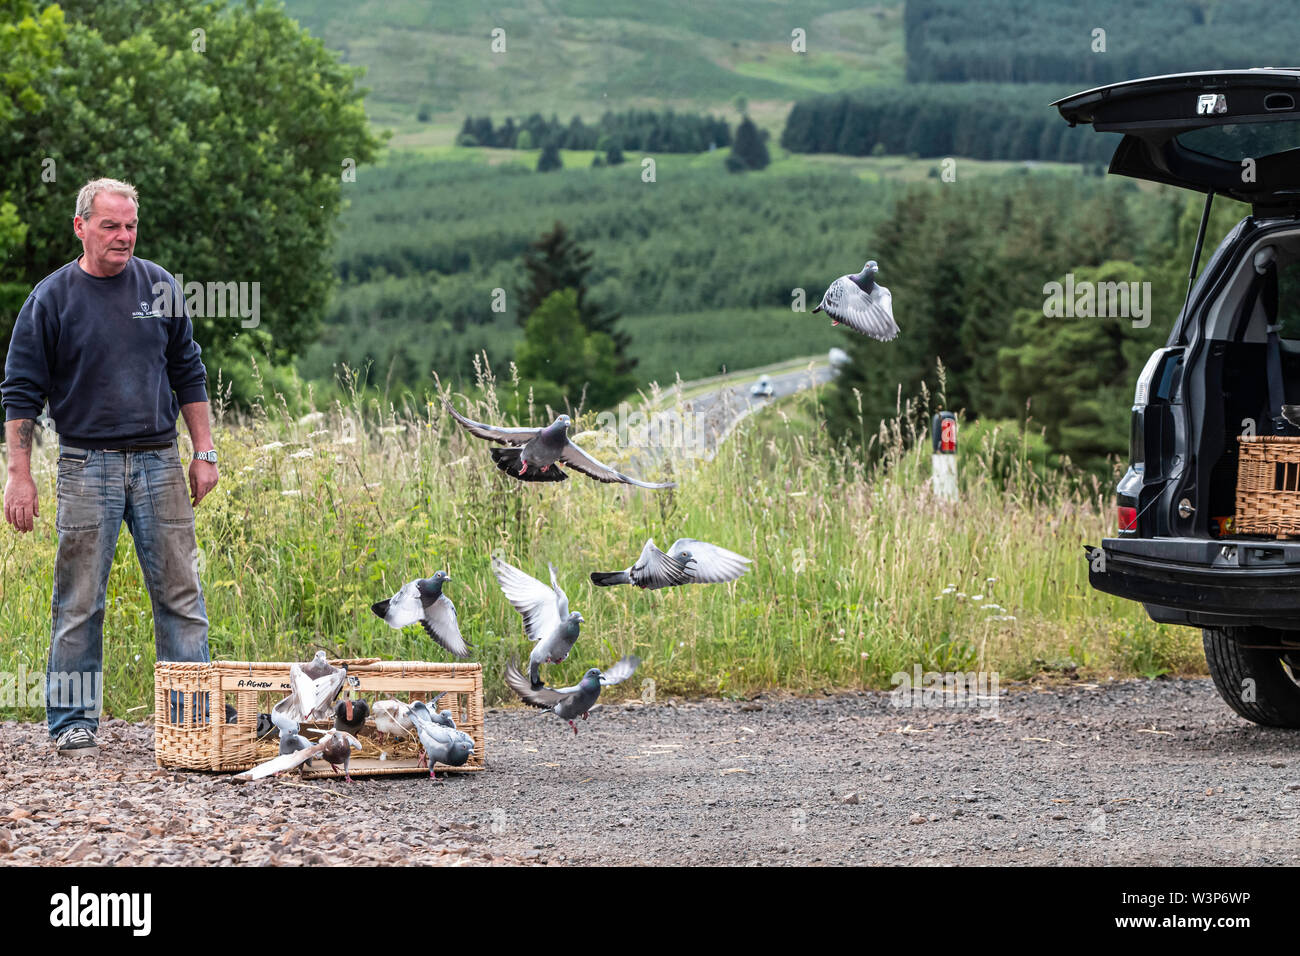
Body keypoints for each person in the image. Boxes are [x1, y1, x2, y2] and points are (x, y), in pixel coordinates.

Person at [1, 177, 218, 758]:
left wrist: (204, 451)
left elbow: (188, 372)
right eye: (110, 226)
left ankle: (190, 719)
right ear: (81, 226)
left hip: (159, 463)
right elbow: (21, 393)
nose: (123, 237)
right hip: (84, 466)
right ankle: (73, 721)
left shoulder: (160, 286)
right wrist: (19, 474)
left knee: (181, 595)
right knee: (79, 601)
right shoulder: (51, 299)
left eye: (130, 226)